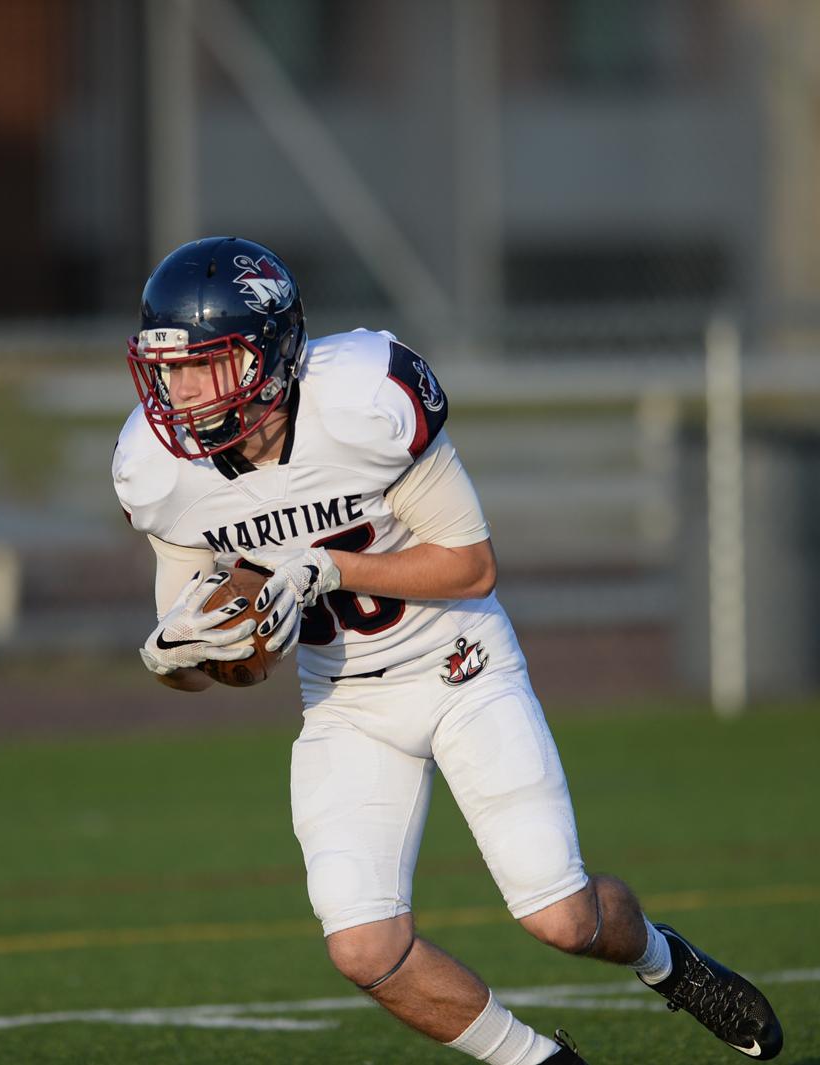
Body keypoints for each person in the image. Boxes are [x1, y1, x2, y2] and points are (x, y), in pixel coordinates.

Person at [111, 236, 783, 1064]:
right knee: (362, 945)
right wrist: (178, 658)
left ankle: (666, 961)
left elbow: (472, 566)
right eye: (166, 367)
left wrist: (329, 566)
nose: (176, 392)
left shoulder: (361, 398)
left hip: (460, 665)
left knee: (561, 918)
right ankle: (541, 1062)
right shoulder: (158, 469)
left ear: (271, 354)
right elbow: (237, 660)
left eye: (201, 365)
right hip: (345, 702)